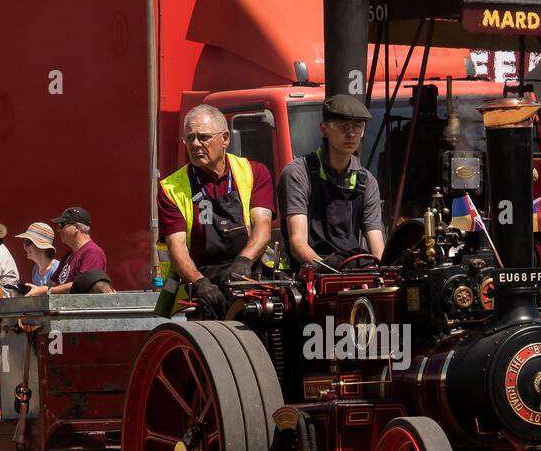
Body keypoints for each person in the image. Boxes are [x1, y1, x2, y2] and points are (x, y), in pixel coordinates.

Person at [157, 104, 275, 318]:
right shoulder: (171, 188)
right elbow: (177, 247)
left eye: (203, 137)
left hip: (248, 269)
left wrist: (243, 263)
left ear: (226, 138)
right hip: (203, 275)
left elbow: (263, 228)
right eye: (189, 137)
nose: (195, 144)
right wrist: (200, 283)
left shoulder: (254, 172)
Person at [278, 94, 385, 269]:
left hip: (354, 272)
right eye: (343, 126)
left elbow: (378, 250)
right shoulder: (298, 173)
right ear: (324, 128)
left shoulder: (368, 182)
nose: (351, 134)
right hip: (311, 275)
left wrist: (382, 272)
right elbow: (297, 244)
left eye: (358, 126)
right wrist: (329, 270)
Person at [26, 206, 106, 296]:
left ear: (77, 227)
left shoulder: (93, 252)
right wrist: (34, 290)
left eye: (62, 225)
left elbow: (82, 285)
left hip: (79, 309)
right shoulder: (68, 256)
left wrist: (47, 291)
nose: (59, 230)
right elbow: (52, 284)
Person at [15, 222, 60, 287]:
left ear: (42, 247)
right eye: (24, 242)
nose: (24, 247)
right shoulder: (36, 268)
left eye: (28, 242)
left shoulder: (57, 269)